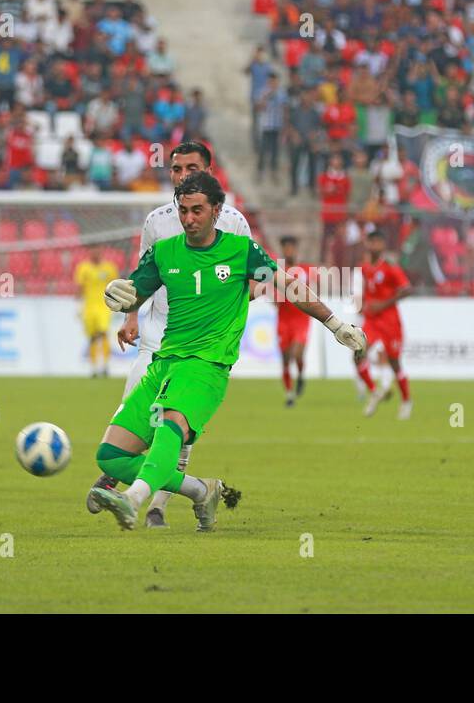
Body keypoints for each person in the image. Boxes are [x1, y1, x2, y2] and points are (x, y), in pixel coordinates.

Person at [88, 171, 366, 531]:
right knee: (109, 457)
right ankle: (201, 490)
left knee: (171, 425)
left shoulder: (241, 251)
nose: (188, 219)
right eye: (183, 210)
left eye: (197, 210)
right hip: (164, 363)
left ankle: (133, 500)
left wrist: (336, 324)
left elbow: (287, 286)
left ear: (217, 211)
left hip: (207, 366)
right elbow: (135, 292)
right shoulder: (164, 252)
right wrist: (119, 297)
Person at [103, 141, 251, 529]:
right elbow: (141, 275)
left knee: (174, 426)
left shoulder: (232, 221)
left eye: (191, 168)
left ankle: (154, 505)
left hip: (200, 344)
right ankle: (180, 486)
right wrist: (130, 315)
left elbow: (256, 279)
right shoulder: (157, 220)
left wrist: (226, 302)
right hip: (156, 336)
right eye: (176, 169)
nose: (182, 176)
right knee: (131, 419)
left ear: (208, 170)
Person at [358, 231, 413, 420]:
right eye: (372, 242)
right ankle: (374, 391)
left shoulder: (390, 267)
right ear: (368, 244)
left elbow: (407, 289)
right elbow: (367, 288)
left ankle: (406, 401)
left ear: (382, 245)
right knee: (358, 353)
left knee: (395, 362)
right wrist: (363, 304)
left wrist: (383, 304)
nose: (375, 246)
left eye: (378, 242)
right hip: (372, 320)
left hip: (390, 321)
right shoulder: (365, 267)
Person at [274, 236, 312, 407]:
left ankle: (301, 375)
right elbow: (274, 298)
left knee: (297, 353)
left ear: (296, 250)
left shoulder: (304, 270)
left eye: (291, 248)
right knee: (285, 358)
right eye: (285, 248)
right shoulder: (276, 270)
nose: (288, 251)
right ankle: (290, 395)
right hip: (284, 319)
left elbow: (311, 292)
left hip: (301, 318)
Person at [74, 245, 119, 378]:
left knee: (103, 333)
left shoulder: (109, 268)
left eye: (98, 250)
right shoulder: (83, 268)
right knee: (92, 337)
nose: (95, 253)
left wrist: (116, 304)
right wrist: (77, 305)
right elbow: (80, 287)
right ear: (89, 252)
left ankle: (105, 365)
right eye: (93, 250)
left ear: (101, 251)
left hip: (104, 306)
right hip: (88, 307)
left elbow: (115, 286)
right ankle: (94, 367)